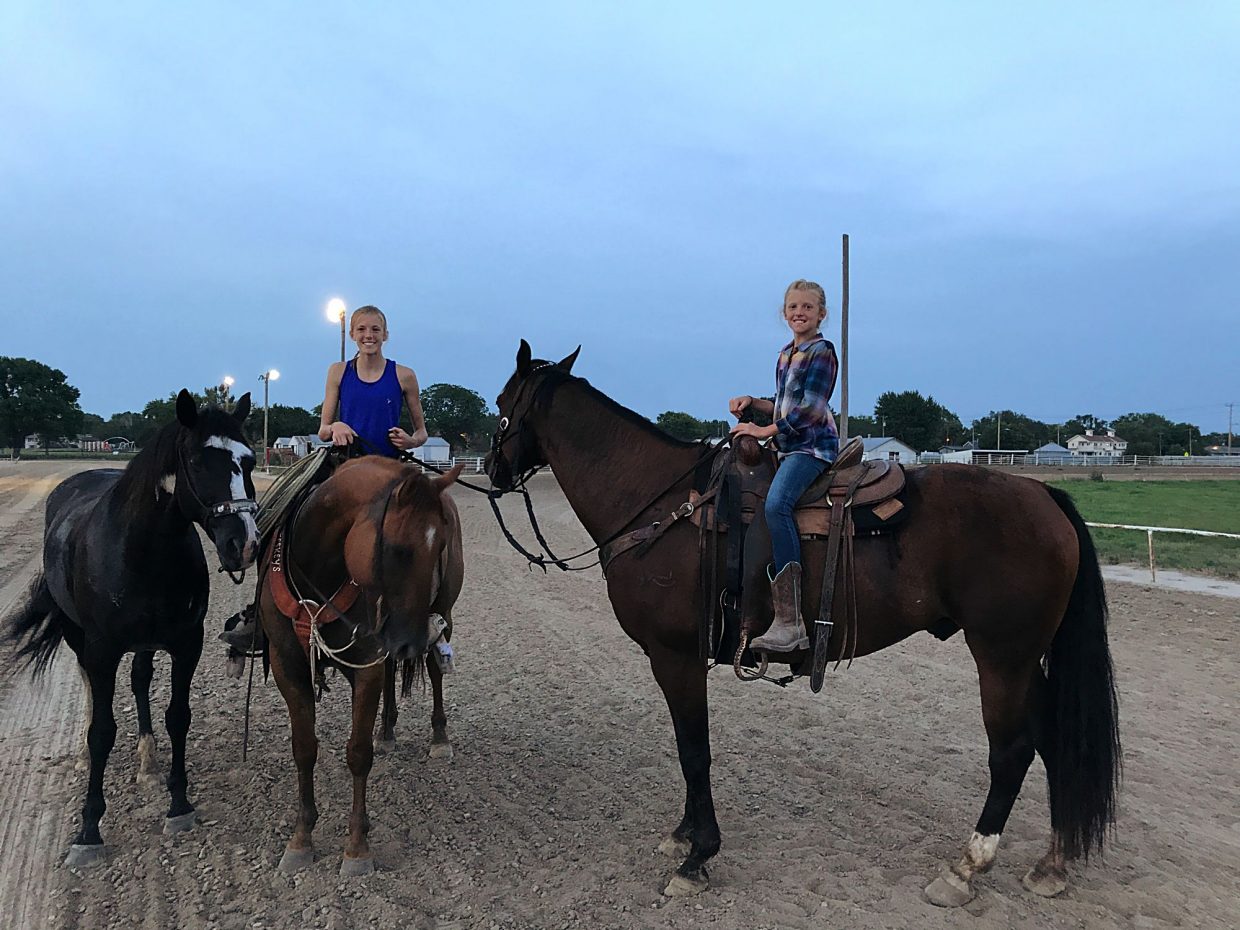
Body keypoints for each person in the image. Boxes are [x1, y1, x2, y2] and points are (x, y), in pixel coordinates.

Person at [220, 304, 429, 654]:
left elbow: (422, 432)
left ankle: (430, 613)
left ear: (386, 335)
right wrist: (337, 427)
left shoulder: (404, 376)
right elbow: (322, 428)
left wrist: (411, 440)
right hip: (342, 465)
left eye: (375, 330)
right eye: (362, 330)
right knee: (281, 510)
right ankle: (260, 613)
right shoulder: (338, 372)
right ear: (352, 335)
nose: (368, 336)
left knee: (427, 527)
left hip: (390, 471)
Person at [728, 279, 839, 653]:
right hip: (786, 446)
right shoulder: (785, 353)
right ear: (784, 313)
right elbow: (783, 400)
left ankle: (791, 621)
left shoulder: (822, 352)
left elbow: (810, 408)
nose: (799, 313)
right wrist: (755, 402)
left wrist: (764, 430)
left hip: (811, 449)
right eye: (793, 307)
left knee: (777, 506)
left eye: (807, 307)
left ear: (821, 314)